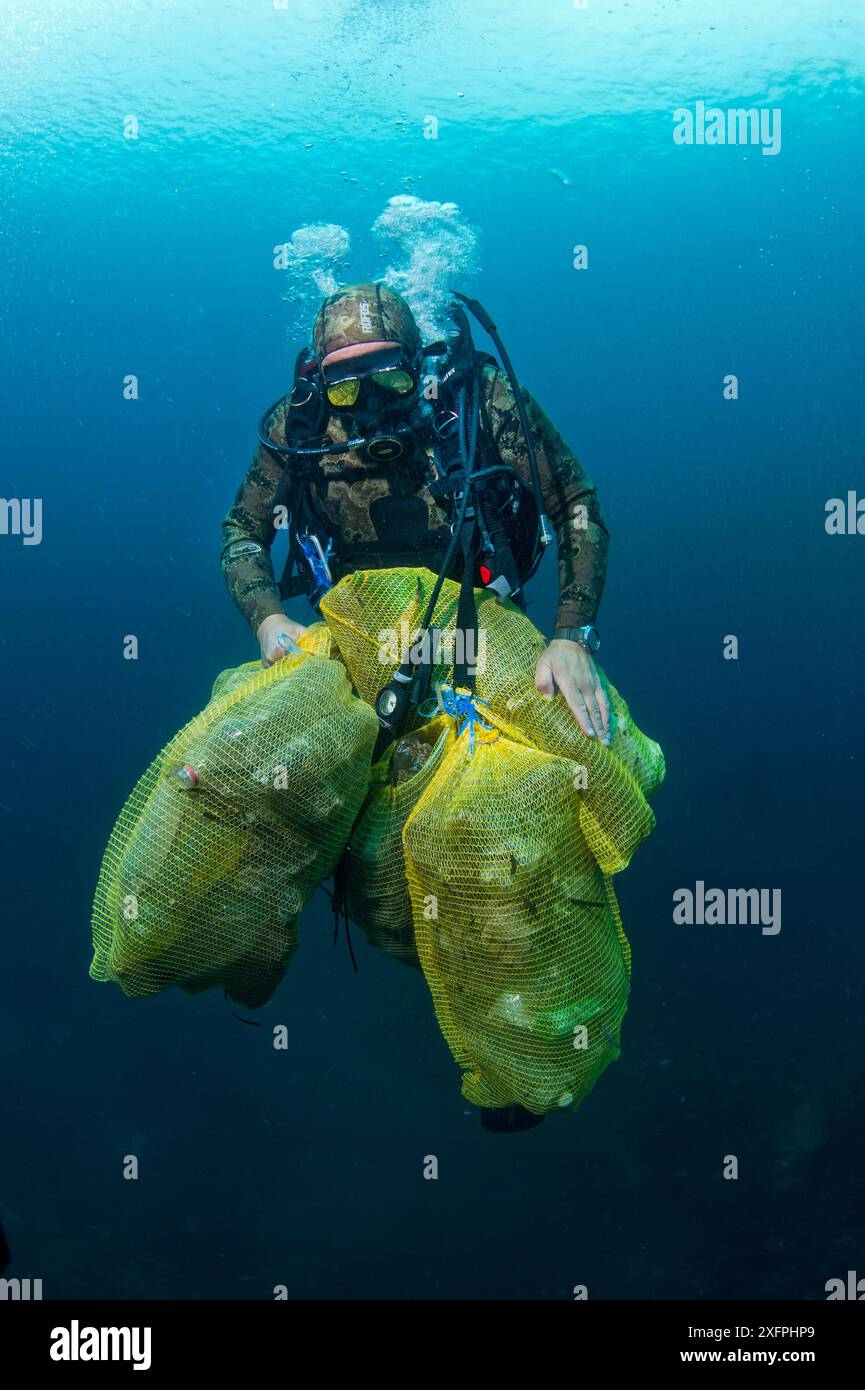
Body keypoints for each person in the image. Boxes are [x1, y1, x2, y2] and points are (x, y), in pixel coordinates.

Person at [221, 282, 612, 745]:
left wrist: (571, 635)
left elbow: (575, 503)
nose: (371, 403)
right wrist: (268, 620)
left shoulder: (480, 400)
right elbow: (242, 531)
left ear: (415, 360)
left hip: (482, 624)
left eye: (389, 379)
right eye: (345, 390)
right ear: (322, 384)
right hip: (358, 635)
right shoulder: (299, 427)